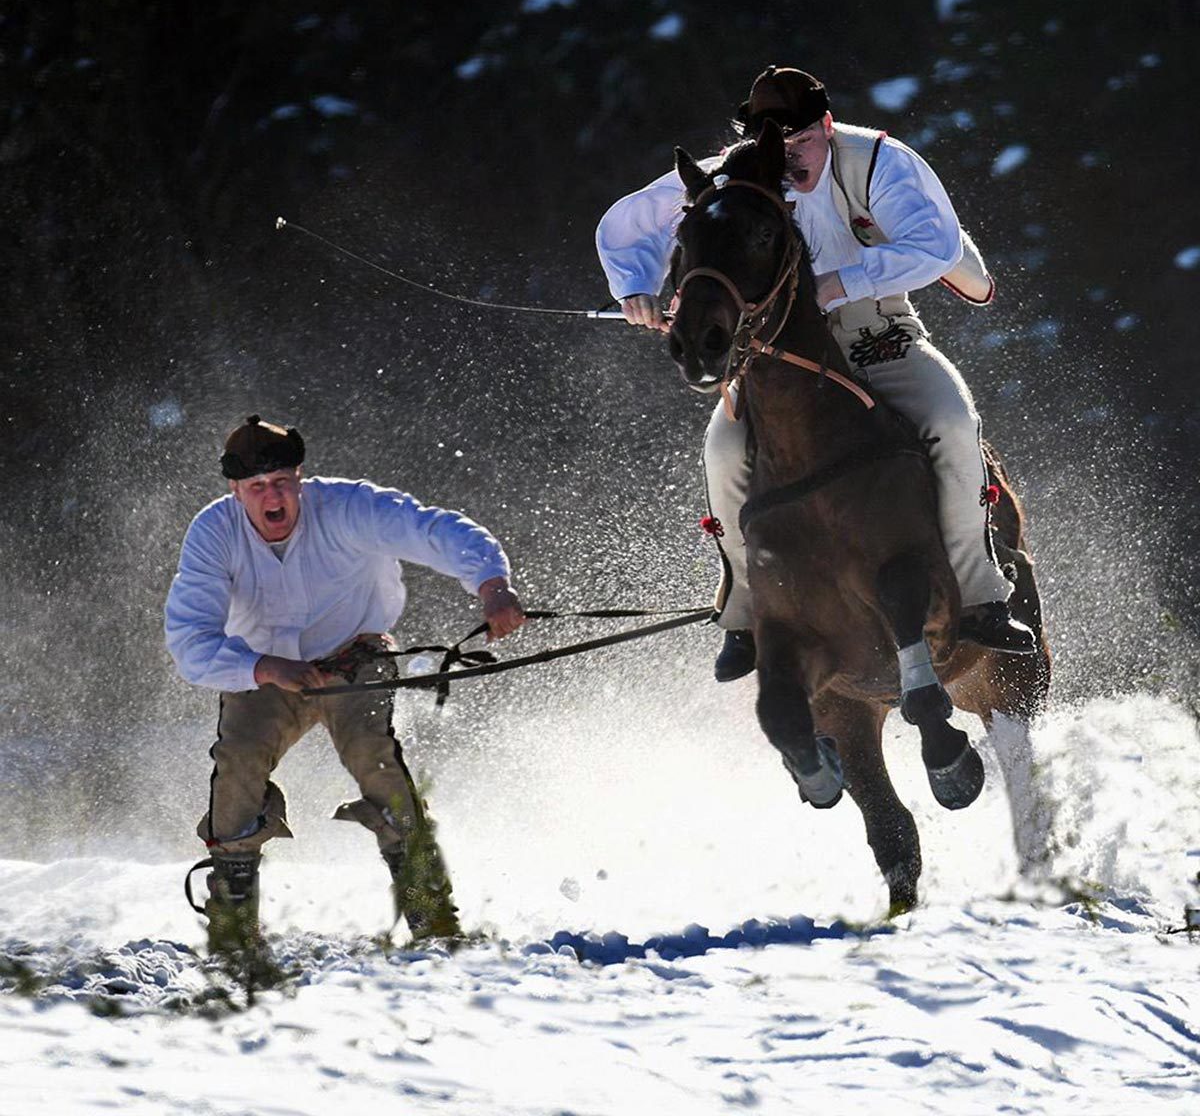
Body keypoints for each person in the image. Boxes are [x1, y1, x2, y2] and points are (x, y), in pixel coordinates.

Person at [595, 65, 1035, 683]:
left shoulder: (879, 161)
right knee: (721, 453)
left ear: (827, 125)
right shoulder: (737, 172)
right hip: (782, 359)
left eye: (801, 139)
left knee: (952, 422)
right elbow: (626, 225)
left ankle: (980, 594)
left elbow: (935, 245)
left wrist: (840, 283)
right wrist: (636, 287)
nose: (790, 155)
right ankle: (745, 610)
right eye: (776, 143)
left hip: (880, 337)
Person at [165, 415, 525, 949]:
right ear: (236, 491)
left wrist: (492, 586)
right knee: (238, 761)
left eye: (282, 483)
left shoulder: (349, 507)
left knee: (371, 755)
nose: (273, 498)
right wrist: (265, 668)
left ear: (300, 479)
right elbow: (190, 640)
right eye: (258, 487)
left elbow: (434, 529)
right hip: (262, 669)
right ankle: (234, 926)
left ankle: (432, 916)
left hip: (354, 659)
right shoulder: (213, 533)